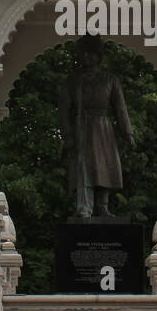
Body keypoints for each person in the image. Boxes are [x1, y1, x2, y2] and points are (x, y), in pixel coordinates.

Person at [59, 36, 136, 218]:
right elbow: (63, 111)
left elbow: (120, 108)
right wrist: (67, 134)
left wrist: (128, 132)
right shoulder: (72, 81)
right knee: (83, 167)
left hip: (103, 128)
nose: (86, 57)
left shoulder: (110, 80)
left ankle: (103, 205)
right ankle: (84, 207)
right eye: (83, 53)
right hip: (81, 128)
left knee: (105, 167)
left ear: (97, 55)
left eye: (90, 53)